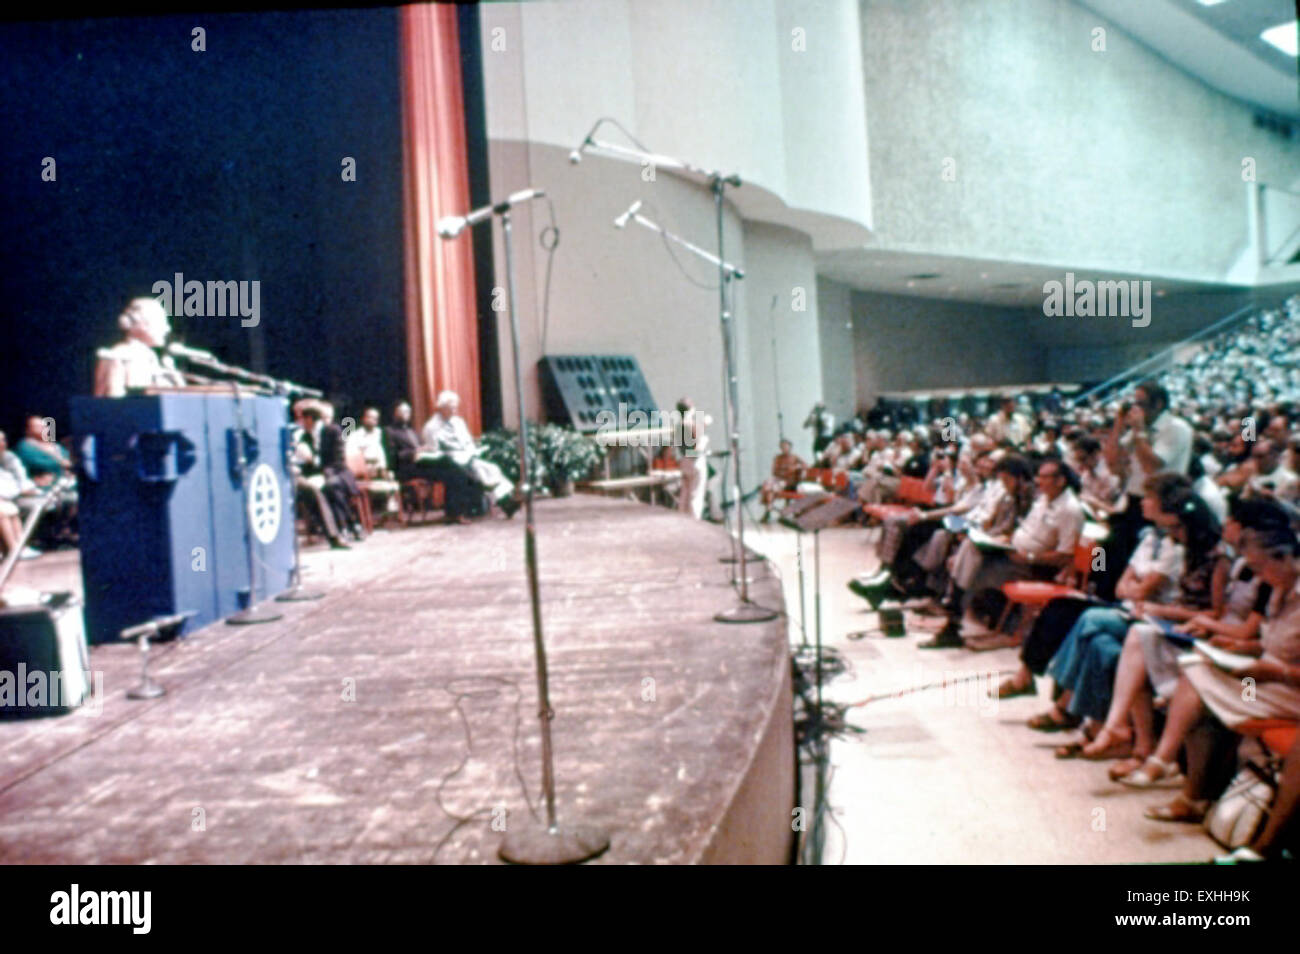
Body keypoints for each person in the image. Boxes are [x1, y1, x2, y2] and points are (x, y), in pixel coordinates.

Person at [1099, 380, 1193, 600]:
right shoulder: (1140, 428)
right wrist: (1118, 425)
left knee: (1138, 561)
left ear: (1158, 404)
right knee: (1104, 551)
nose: (1135, 409)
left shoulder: (1177, 429)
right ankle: (1102, 594)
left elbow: (1151, 466)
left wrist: (1140, 433)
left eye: (1140, 404)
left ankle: (1127, 602)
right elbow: (1112, 461)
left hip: (1164, 504)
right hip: (1134, 501)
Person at [423, 391, 519, 518]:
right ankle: (505, 502)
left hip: (467, 457)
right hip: (450, 461)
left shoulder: (458, 422)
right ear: (441, 408)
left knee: (491, 468)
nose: (454, 411)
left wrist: (471, 450)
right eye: (451, 408)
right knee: (480, 471)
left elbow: (468, 441)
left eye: (455, 407)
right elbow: (434, 450)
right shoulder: (431, 427)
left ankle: (505, 501)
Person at [93, 297, 188, 397]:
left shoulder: (151, 357)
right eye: (162, 322)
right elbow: (113, 401)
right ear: (140, 324)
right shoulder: (118, 355)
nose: (167, 329)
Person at [675, 398, 710, 520]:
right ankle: (695, 524)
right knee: (696, 496)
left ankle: (682, 523)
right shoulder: (691, 425)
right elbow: (695, 451)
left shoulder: (678, 426)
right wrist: (704, 441)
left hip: (684, 462)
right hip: (695, 462)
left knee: (684, 495)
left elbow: (683, 448)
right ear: (691, 409)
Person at [760, 439, 805, 521]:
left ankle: (768, 511)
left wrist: (796, 467)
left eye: (786, 446)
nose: (784, 448)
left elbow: (805, 466)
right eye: (782, 447)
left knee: (771, 488)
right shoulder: (778, 458)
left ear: (790, 447)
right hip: (779, 480)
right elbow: (774, 471)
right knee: (769, 486)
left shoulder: (795, 457)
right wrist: (785, 471)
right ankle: (769, 509)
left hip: (790, 482)